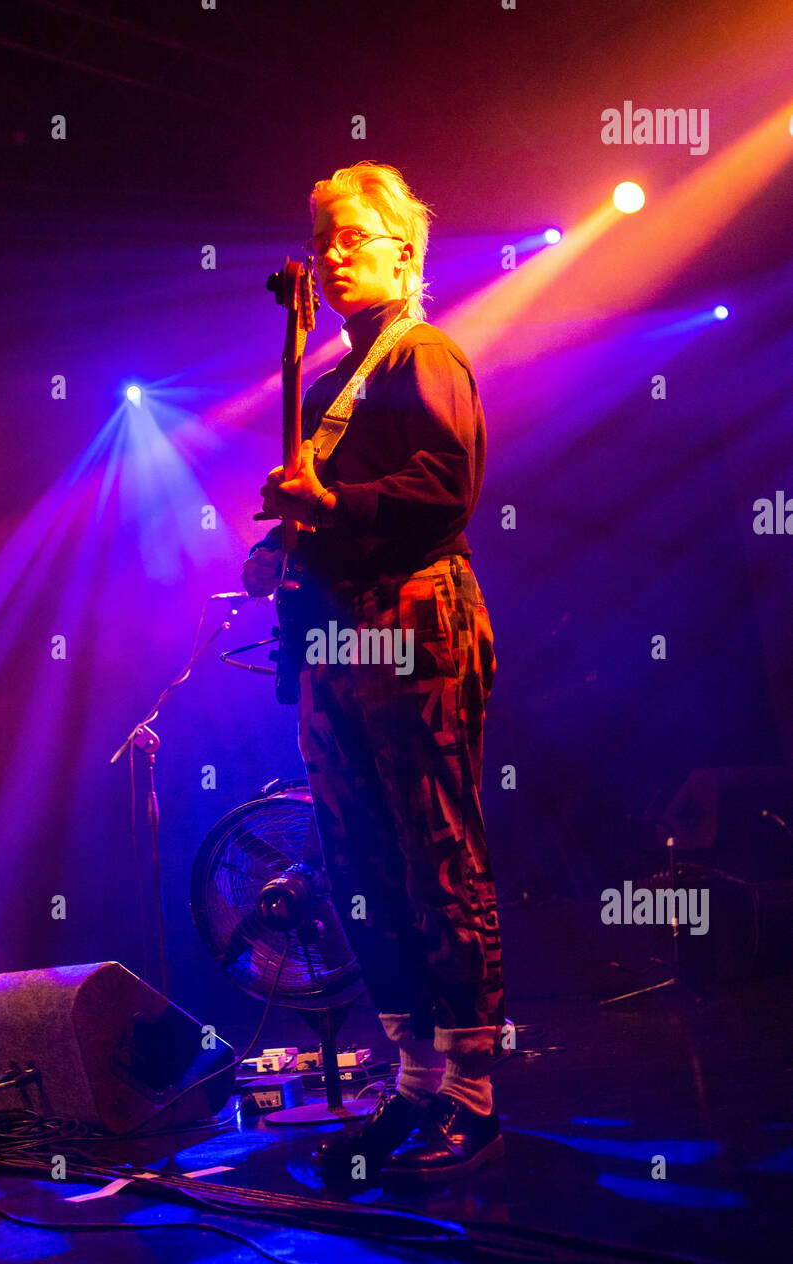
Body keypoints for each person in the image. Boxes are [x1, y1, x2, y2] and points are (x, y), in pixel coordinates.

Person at [242, 161, 505, 1188]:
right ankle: (412, 1079)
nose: (333, 253)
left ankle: (473, 1098)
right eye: (321, 238)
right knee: (360, 862)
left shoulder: (421, 354)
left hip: (413, 625)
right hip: (338, 637)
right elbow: (322, 515)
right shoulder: (321, 387)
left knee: (436, 850)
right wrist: (278, 554)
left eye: (352, 235)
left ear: (404, 248)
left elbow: (447, 488)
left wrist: (329, 507)